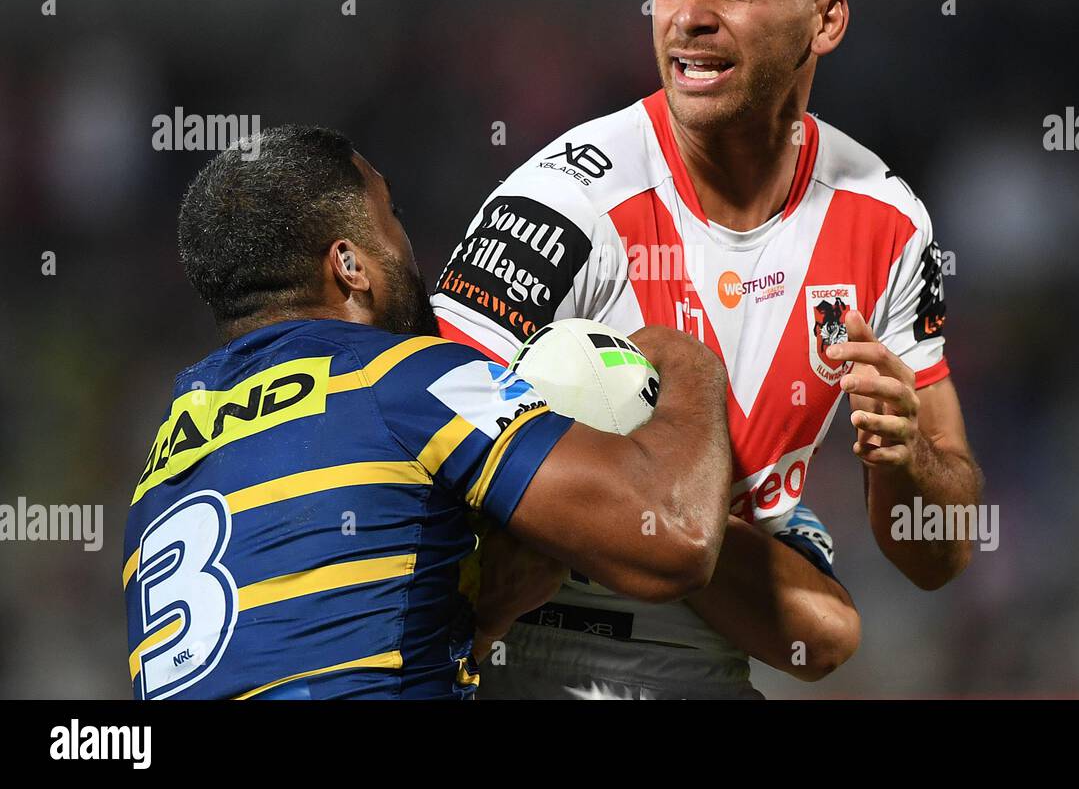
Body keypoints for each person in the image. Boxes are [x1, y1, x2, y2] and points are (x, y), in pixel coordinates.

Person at [433, 0, 983, 699]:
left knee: (832, 633)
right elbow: (417, 445)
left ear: (825, 20)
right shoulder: (564, 201)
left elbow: (937, 556)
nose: (687, 16)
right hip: (528, 658)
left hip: (711, 670)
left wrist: (908, 461)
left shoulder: (886, 220)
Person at [122, 125, 732, 699]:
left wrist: (486, 617)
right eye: (394, 218)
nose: (408, 249)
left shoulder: (159, 472)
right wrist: (690, 366)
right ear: (349, 265)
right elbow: (676, 537)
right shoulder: (404, 376)